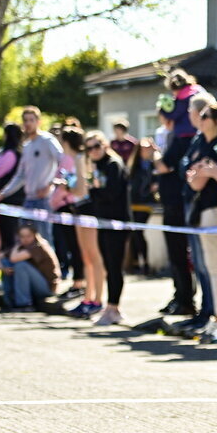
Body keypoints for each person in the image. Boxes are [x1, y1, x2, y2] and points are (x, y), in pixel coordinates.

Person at [156, 70, 207, 316]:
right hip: (177, 202)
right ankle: (182, 297)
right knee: (185, 256)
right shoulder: (188, 136)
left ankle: (186, 299)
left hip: (178, 203)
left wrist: (152, 157)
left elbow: (164, 164)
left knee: (182, 255)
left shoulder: (183, 138)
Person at [186, 101, 217, 339]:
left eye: (204, 115)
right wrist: (199, 174)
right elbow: (195, 182)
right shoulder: (201, 144)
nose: (200, 120)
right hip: (205, 209)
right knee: (212, 266)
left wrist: (207, 173)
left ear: (216, 120)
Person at [0, 106, 61, 249]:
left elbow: (63, 161)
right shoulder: (27, 146)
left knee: (45, 242)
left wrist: (51, 185)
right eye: (25, 120)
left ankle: (51, 271)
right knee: (24, 242)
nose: (28, 123)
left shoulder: (47, 140)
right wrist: (2, 194)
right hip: (28, 200)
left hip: (44, 200)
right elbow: (20, 175)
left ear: (38, 122)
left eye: (31, 120)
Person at [82, 130, 131, 326]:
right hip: (103, 222)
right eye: (89, 148)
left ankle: (113, 307)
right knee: (108, 265)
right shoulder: (97, 166)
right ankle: (111, 307)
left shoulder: (113, 165)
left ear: (105, 146)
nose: (93, 151)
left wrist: (92, 190)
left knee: (114, 266)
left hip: (117, 223)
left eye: (96, 146)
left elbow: (111, 193)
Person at [66, 126, 106, 318]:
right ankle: (88, 298)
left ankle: (97, 299)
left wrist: (67, 187)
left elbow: (81, 190)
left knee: (94, 256)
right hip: (80, 209)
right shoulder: (78, 160)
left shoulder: (82, 159)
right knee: (86, 257)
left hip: (89, 209)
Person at [50, 125, 85, 299]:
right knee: (73, 246)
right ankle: (78, 281)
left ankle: (79, 282)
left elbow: (73, 187)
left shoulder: (76, 159)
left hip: (71, 207)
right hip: (65, 205)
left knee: (76, 247)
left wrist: (58, 195)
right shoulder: (68, 158)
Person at [0, 224, 59, 310]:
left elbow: (13, 259)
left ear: (35, 235)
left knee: (20, 265)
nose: (25, 239)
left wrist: (16, 247)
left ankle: (24, 304)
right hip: (34, 285)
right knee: (5, 262)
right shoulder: (22, 246)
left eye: (28, 236)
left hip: (46, 288)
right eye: (22, 236)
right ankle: (9, 302)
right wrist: (3, 269)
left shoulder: (38, 245)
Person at [0, 123, 25, 250]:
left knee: (8, 236)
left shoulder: (10, 154)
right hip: (15, 199)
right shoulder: (20, 153)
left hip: (8, 200)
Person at [126, 138, 158, 275]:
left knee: (139, 232)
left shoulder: (153, 165)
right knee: (134, 233)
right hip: (134, 203)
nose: (147, 150)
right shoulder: (134, 166)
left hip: (146, 204)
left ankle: (144, 262)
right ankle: (135, 262)